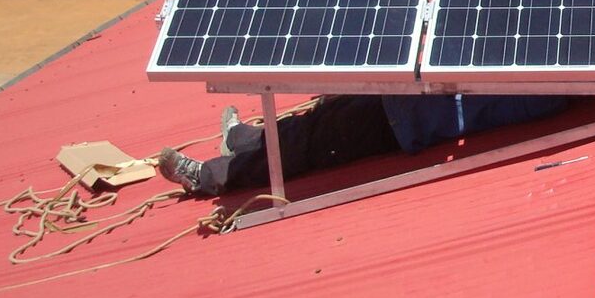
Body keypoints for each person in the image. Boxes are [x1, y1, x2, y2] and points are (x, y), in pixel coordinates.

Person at [158, 93, 570, 197]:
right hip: (405, 95)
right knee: (319, 119)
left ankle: (211, 177)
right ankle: (242, 139)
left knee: (314, 143)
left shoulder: (550, 83)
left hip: (405, 120)